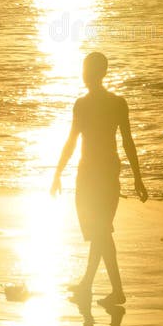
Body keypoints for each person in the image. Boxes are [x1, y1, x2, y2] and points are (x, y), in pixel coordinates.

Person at [50, 51, 148, 306]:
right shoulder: (111, 103)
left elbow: (127, 142)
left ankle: (117, 290)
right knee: (99, 231)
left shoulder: (98, 104)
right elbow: (73, 141)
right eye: (83, 69)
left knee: (101, 231)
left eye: (87, 70)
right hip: (98, 173)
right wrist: (58, 172)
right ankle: (87, 285)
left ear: (98, 73)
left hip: (96, 175)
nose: (84, 75)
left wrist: (139, 177)